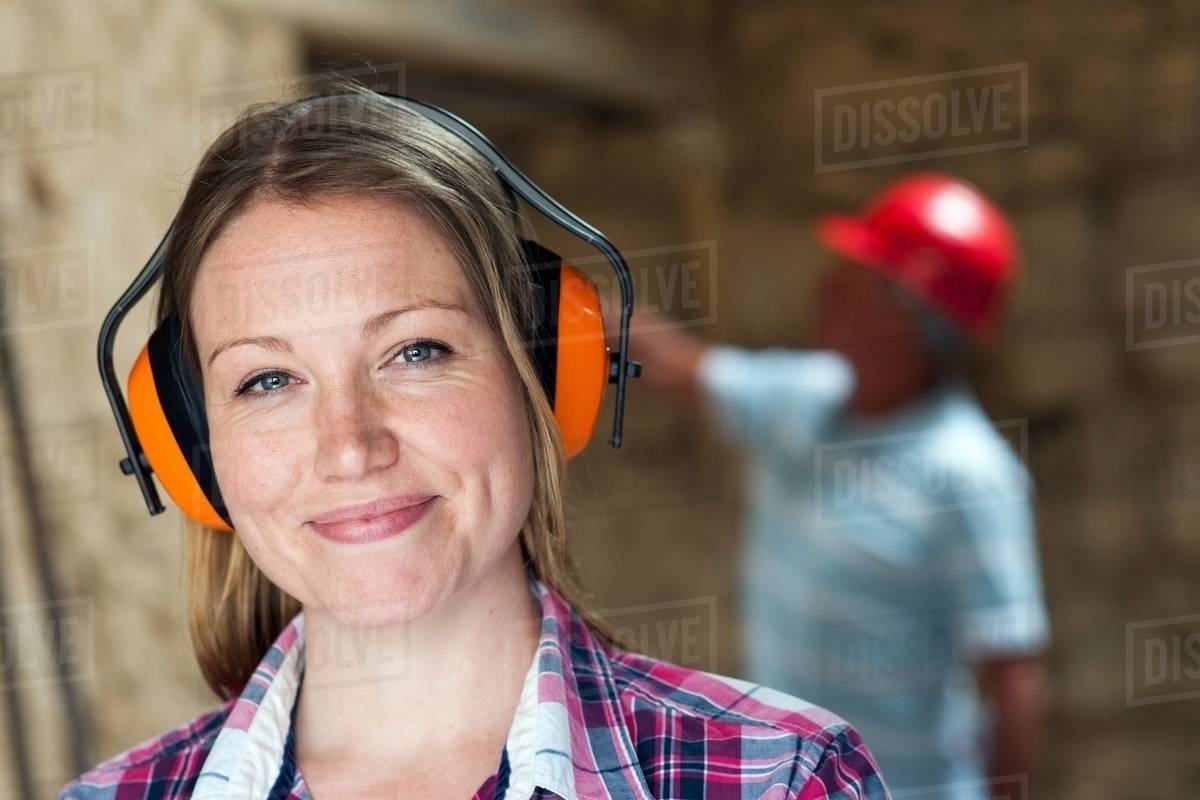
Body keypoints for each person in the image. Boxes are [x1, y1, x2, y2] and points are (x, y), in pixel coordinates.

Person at [61, 84, 890, 799]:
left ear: (545, 376)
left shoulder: (781, 779)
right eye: (267, 381)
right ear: (189, 442)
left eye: (416, 352)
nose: (350, 447)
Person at [619, 173, 1050, 799]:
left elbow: (1011, 673)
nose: (828, 290)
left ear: (914, 322)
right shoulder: (802, 400)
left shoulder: (968, 471)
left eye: (860, 282)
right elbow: (676, 367)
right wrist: (563, 308)